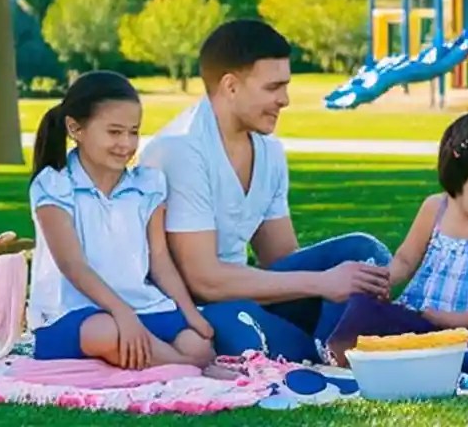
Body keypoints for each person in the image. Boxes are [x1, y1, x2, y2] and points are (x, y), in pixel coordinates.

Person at [140, 19, 393, 363]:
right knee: (250, 335)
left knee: (364, 254)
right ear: (230, 86)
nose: (285, 100)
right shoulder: (182, 150)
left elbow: (281, 260)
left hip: (246, 294)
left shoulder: (269, 150)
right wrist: (322, 285)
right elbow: (203, 281)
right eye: (273, 87)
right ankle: (336, 348)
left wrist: (327, 285)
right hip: (190, 309)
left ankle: (328, 348)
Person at [27, 71, 215, 370]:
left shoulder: (148, 185)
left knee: (200, 346)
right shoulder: (54, 186)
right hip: (71, 313)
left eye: (134, 131)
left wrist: (190, 313)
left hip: (141, 305)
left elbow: (160, 259)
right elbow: (72, 265)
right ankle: (191, 372)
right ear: (75, 128)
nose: (126, 144)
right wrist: (122, 313)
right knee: (109, 334)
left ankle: (187, 365)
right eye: (114, 132)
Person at [324, 113, 468, 368]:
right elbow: (406, 259)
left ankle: (347, 356)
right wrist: (382, 280)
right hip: (422, 322)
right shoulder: (435, 209)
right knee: (359, 304)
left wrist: (457, 321)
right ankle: (343, 352)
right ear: (454, 185)